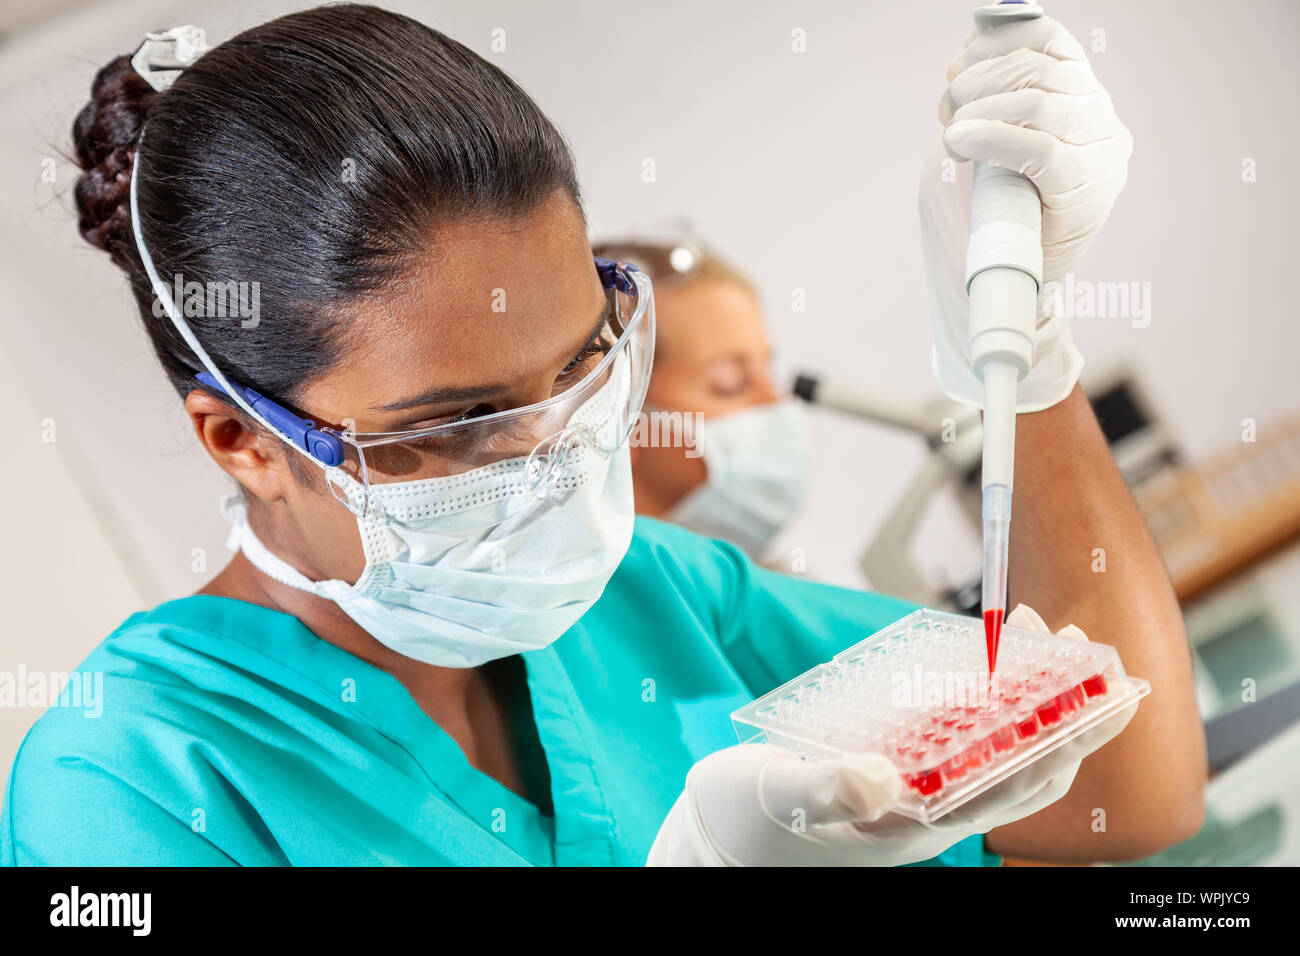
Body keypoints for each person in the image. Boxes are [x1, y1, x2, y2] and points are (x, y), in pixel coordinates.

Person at [0, 5, 1204, 866]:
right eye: (462, 424)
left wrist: (1023, 353)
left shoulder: (649, 594)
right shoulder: (126, 786)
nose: (556, 468)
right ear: (242, 441)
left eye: (583, 365)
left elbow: (1121, 791)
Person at [591, 236, 810, 563]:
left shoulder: (763, 590)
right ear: (615, 414)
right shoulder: (574, 608)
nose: (776, 401)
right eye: (729, 384)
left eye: (769, 370)